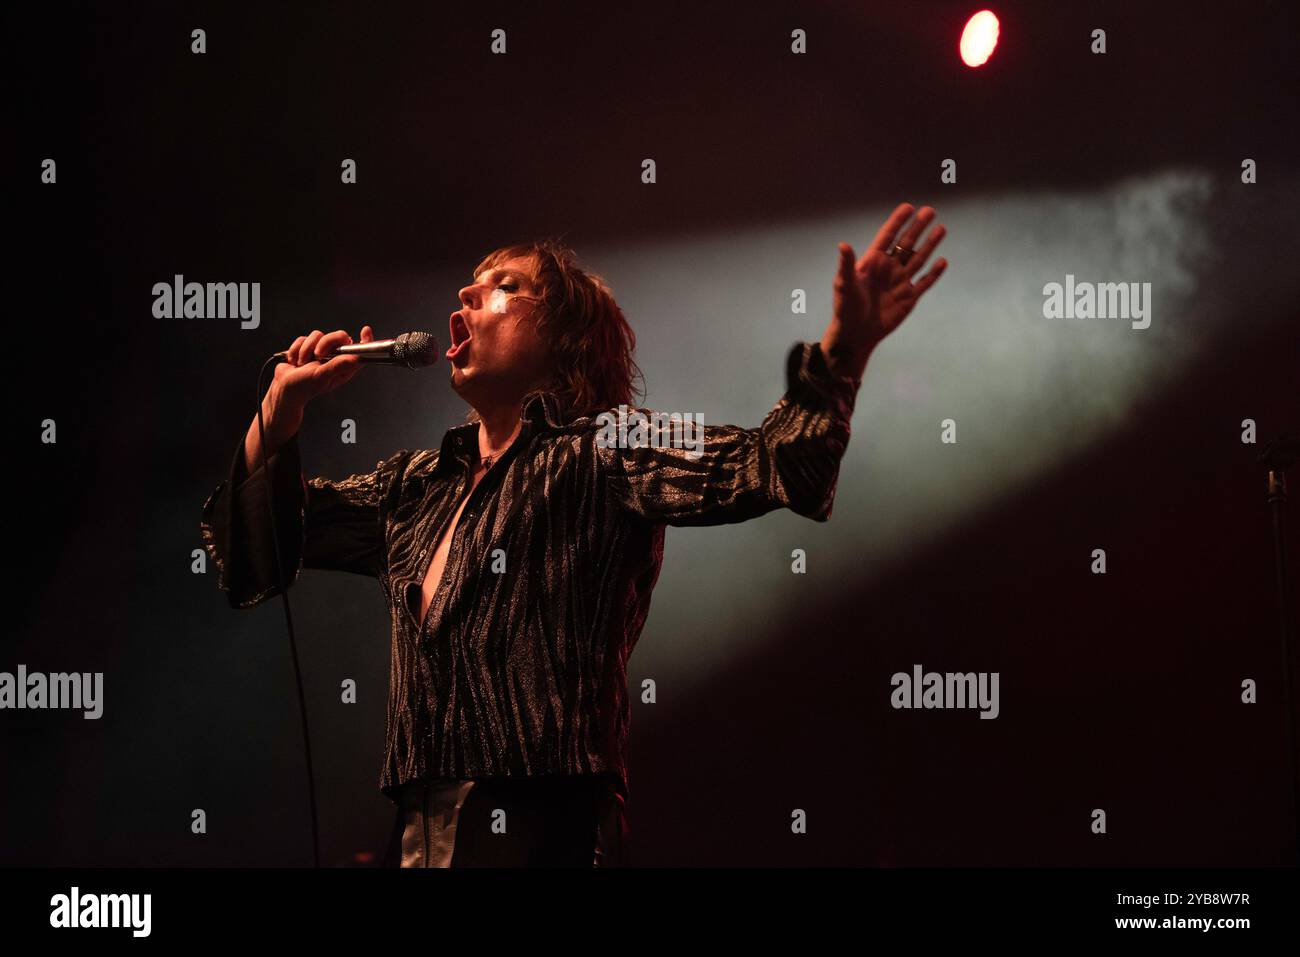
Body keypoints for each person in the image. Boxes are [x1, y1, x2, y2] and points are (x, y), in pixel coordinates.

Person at [199, 204, 948, 867]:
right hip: (421, 829)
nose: (467, 294)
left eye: (503, 285)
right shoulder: (415, 486)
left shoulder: (605, 447)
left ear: (564, 337)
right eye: (472, 280)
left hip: (543, 826)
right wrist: (280, 409)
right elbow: (254, 550)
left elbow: (769, 461)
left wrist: (844, 349)